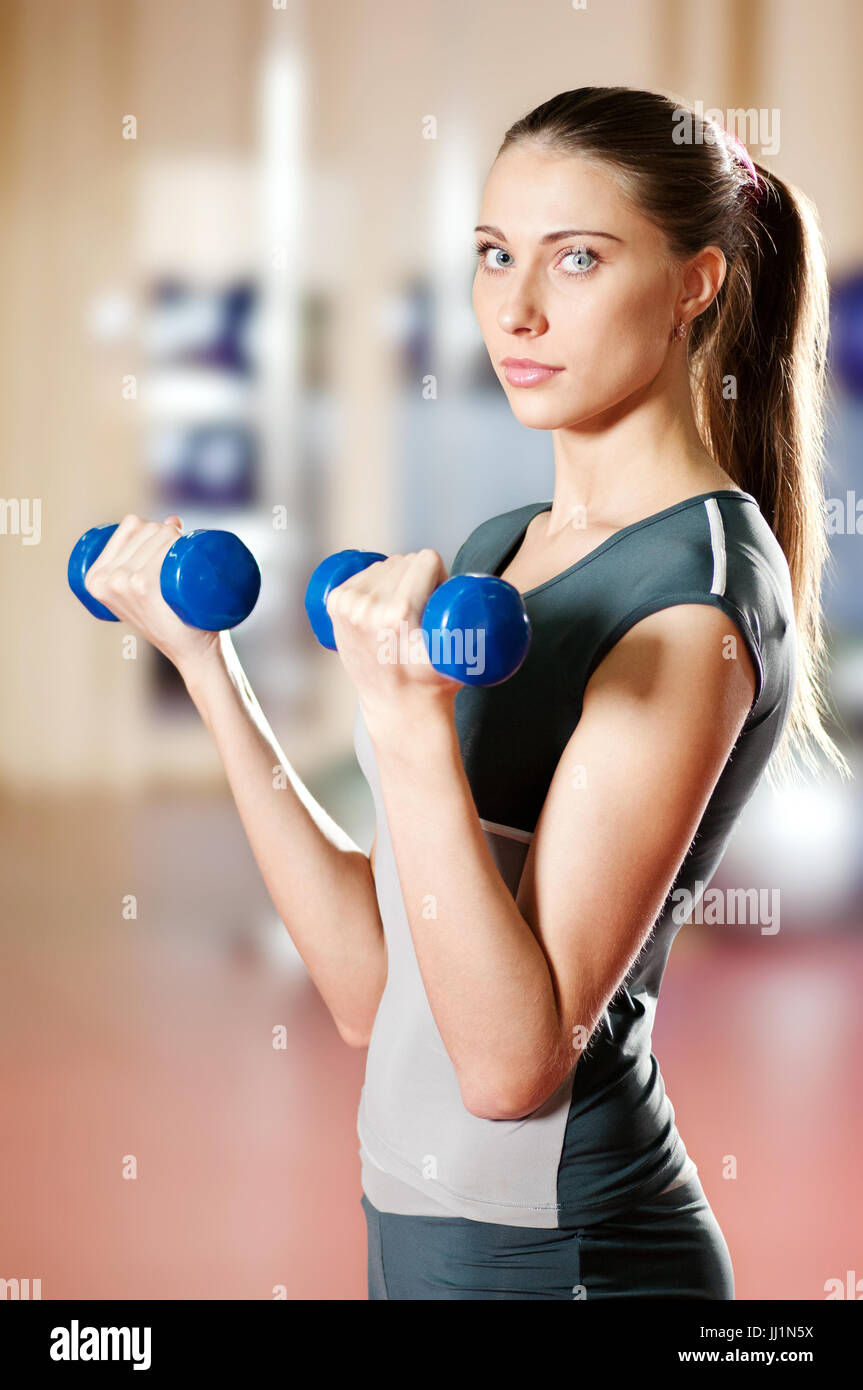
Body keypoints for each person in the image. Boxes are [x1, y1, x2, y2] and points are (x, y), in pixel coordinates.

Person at [84, 86, 848, 1300]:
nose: (516, 308)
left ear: (696, 282)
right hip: (418, 1231)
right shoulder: (501, 546)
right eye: (493, 256)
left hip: (567, 1256)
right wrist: (204, 668)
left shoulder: (694, 602)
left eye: (577, 259)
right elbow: (370, 990)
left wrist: (407, 727)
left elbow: (509, 1068)